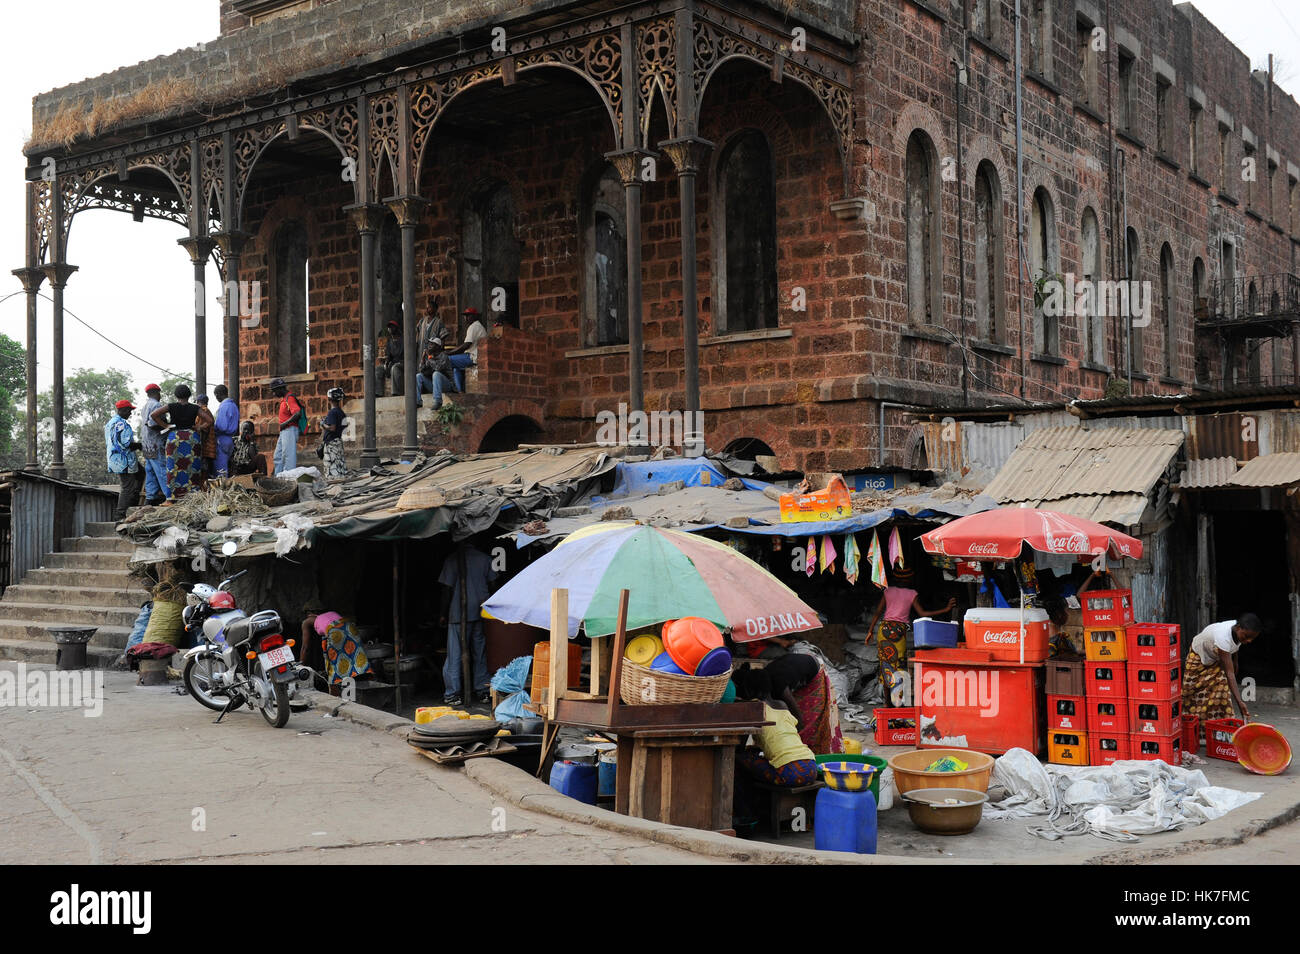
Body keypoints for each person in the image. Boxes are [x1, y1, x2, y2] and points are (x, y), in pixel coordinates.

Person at [864, 565, 956, 695]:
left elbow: (878, 612)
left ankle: (886, 703)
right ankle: (897, 700)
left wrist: (870, 630)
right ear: (909, 580)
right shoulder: (912, 594)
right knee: (899, 664)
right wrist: (945, 610)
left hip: (884, 630)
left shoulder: (888, 591)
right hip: (899, 632)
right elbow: (922, 613)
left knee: (885, 665)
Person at [734, 655, 843, 755]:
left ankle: (812, 753)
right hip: (793, 667)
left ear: (759, 694)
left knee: (811, 721)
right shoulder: (762, 678)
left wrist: (785, 744)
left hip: (813, 669)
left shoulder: (781, 689)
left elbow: (799, 720)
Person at [438, 544, 499, 706]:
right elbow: (493, 586)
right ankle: (483, 690)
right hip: (480, 612)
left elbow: (446, 590)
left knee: (455, 655)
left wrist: (443, 614)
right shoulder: (484, 559)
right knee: (480, 654)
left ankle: (452, 694)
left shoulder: (452, 559)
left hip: (458, 615)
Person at [1183, 615, 1262, 724]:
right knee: (1189, 693)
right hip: (1199, 657)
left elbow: (1234, 645)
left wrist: (1235, 662)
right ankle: (1189, 725)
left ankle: (1219, 728)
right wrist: (1240, 702)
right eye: (1246, 636)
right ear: (1238, 628)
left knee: (1222, 692)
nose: (1249, 640)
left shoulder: (1238, 630)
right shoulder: (1223, 636)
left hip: (1216, 659)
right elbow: (1230, 673)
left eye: (1252, 638)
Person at [301, 602, 372, 693]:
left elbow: (305, 648)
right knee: (354, 659)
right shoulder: (332, 613)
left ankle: (337, 694)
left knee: (336, 664)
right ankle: (357, 689)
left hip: (336, 633)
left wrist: (301, 667)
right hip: (351, 628)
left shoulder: (307, 621)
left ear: (307, 613)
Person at [149, 384, 204, 499]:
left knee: (173, 468)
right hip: (191, 438)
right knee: (192, 468)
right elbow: (210, 420)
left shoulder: (171, 406)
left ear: (176, 395)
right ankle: (193, 497)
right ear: (189, 395)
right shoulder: (195, 408)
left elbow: (153, 415)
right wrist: (198, 427)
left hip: (175, 438)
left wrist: (166, 425)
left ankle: (172, 498)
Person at [105, 398, 143, 520]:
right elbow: (126, 443)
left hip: (115, 459)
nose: (130, 413)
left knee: (141, 474)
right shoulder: (122, 423)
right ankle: (120, 514)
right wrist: (140, 445)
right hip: (124, 460)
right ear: (122, 410)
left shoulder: (110, 422)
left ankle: (133, 501)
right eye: (128, 410)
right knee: (127, 486)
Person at [139, 383, 169, 505]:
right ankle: (169, 497)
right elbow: (153, 423)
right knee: (161, 470)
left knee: (150, 470)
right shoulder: (156, 405)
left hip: (146, 444)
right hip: (156, 443)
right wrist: (167, 426)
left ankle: (150, 497)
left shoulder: (145, 406)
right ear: (157, 393)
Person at [445, 306, 486, 392]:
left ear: (475, 316)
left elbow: (466, 345)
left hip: (472, 357)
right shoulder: (477, 326)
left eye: (468, 315)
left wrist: (449, 353)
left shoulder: (474, 326)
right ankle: (460, 392)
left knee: (446, 360)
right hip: (474, 357)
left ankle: (447, 387)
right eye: (465, 316)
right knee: (456, 369)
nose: (466, 318)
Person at [271, 377, 306, 474]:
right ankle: (279, 478)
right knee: (277, 457)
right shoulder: (285, 399)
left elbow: (297, 413)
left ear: (280, 389)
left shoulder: (289, 398)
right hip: (284, 431)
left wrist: (284, 424)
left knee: (288, 457)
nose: (274, 394)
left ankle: (289, 480)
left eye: (274, 391)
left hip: (289, 429)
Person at [415, 339, 458, 409]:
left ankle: (438, 401)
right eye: (429, 344)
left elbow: (438, 368)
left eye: (432, 344)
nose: (429, 346)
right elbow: (421, 370)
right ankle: (418, 402)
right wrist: (423, 358)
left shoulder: (444, 356)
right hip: (435, 386)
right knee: (418, 376)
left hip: (447, 386)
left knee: (436, 374)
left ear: (438, 347)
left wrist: (429, 358)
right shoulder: (430, 357)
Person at [320, 387, 348, 479]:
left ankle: (333, 487)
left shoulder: (332, 412)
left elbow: (332, 428)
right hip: (338, 441)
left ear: (329, 399)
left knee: (331, 467)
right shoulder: (341, 412)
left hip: (331, 443)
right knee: (339, 465)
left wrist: (323, 424)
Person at [213, 383, 239, 478]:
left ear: (218, 394)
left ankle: (221, 490)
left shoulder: (223, 406)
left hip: (222, 439)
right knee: (226, 467)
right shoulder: (233, 406)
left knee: (221, 469)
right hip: (230, 440)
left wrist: (213, 428)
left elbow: (222, 426)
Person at [194, 394, 217, 484]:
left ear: (198, 402)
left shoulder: (203, 411)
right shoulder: (207, 411)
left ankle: (204, 489)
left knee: (204, 471)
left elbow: (203, 429)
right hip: (208, 446)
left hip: (206, 447)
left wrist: (200, 447)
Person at [383, 319, 404, 397]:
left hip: (402, 362)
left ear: (396, 328)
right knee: (378, 370)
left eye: (392, 327)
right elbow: (388, 355)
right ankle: (377, 393)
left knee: (395, 368)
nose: (390, 329)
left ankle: (396, 392)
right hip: (393, 363)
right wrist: (386, 363)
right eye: (389, 327)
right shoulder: (389, 342)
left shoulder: (403, 340)